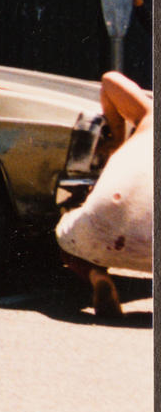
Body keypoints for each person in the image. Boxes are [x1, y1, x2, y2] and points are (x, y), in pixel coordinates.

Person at [55, 71, 153, 319]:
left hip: (103, 231)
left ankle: (96, 275)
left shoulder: (151, 116)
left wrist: (118, 140)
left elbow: (110, 79)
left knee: (67, 235)